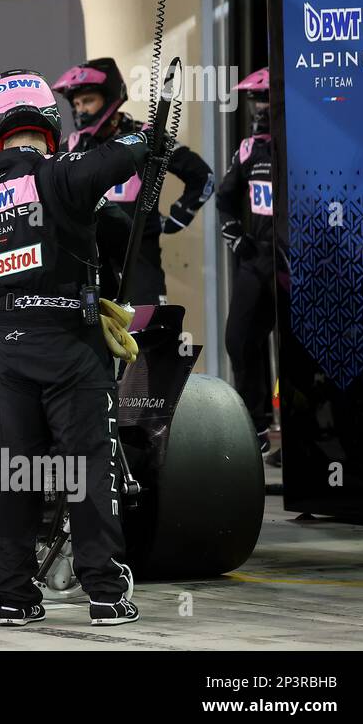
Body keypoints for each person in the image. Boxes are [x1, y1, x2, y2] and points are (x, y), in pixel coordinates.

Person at [0, 70, 147, 628]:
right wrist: (150, 133)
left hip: (8, 349)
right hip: (70, 344)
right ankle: (106, 593)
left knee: (16, 468)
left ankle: (14, 595)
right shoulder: (60, 175)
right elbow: (125, 155)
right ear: (49, 123)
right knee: (89, 468)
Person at [53, 58, 214, 304]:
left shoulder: (147, 136)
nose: (81, 109)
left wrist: (174, 219)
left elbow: (204, 177)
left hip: (140, 261)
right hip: (93, 267)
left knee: (148, 338)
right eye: (76, 103)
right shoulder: (72, 146)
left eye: (88, 101)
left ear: (109, 96)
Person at [217, 67, 275, 450]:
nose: (258, 106)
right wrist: (236, 236)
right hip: (257, 259)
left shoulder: (306, 142)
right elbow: (224, 198)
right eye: (255, 99)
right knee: (239, 340)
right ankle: (255, 428)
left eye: (265, 98)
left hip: (299, 260)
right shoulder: (247, 148)